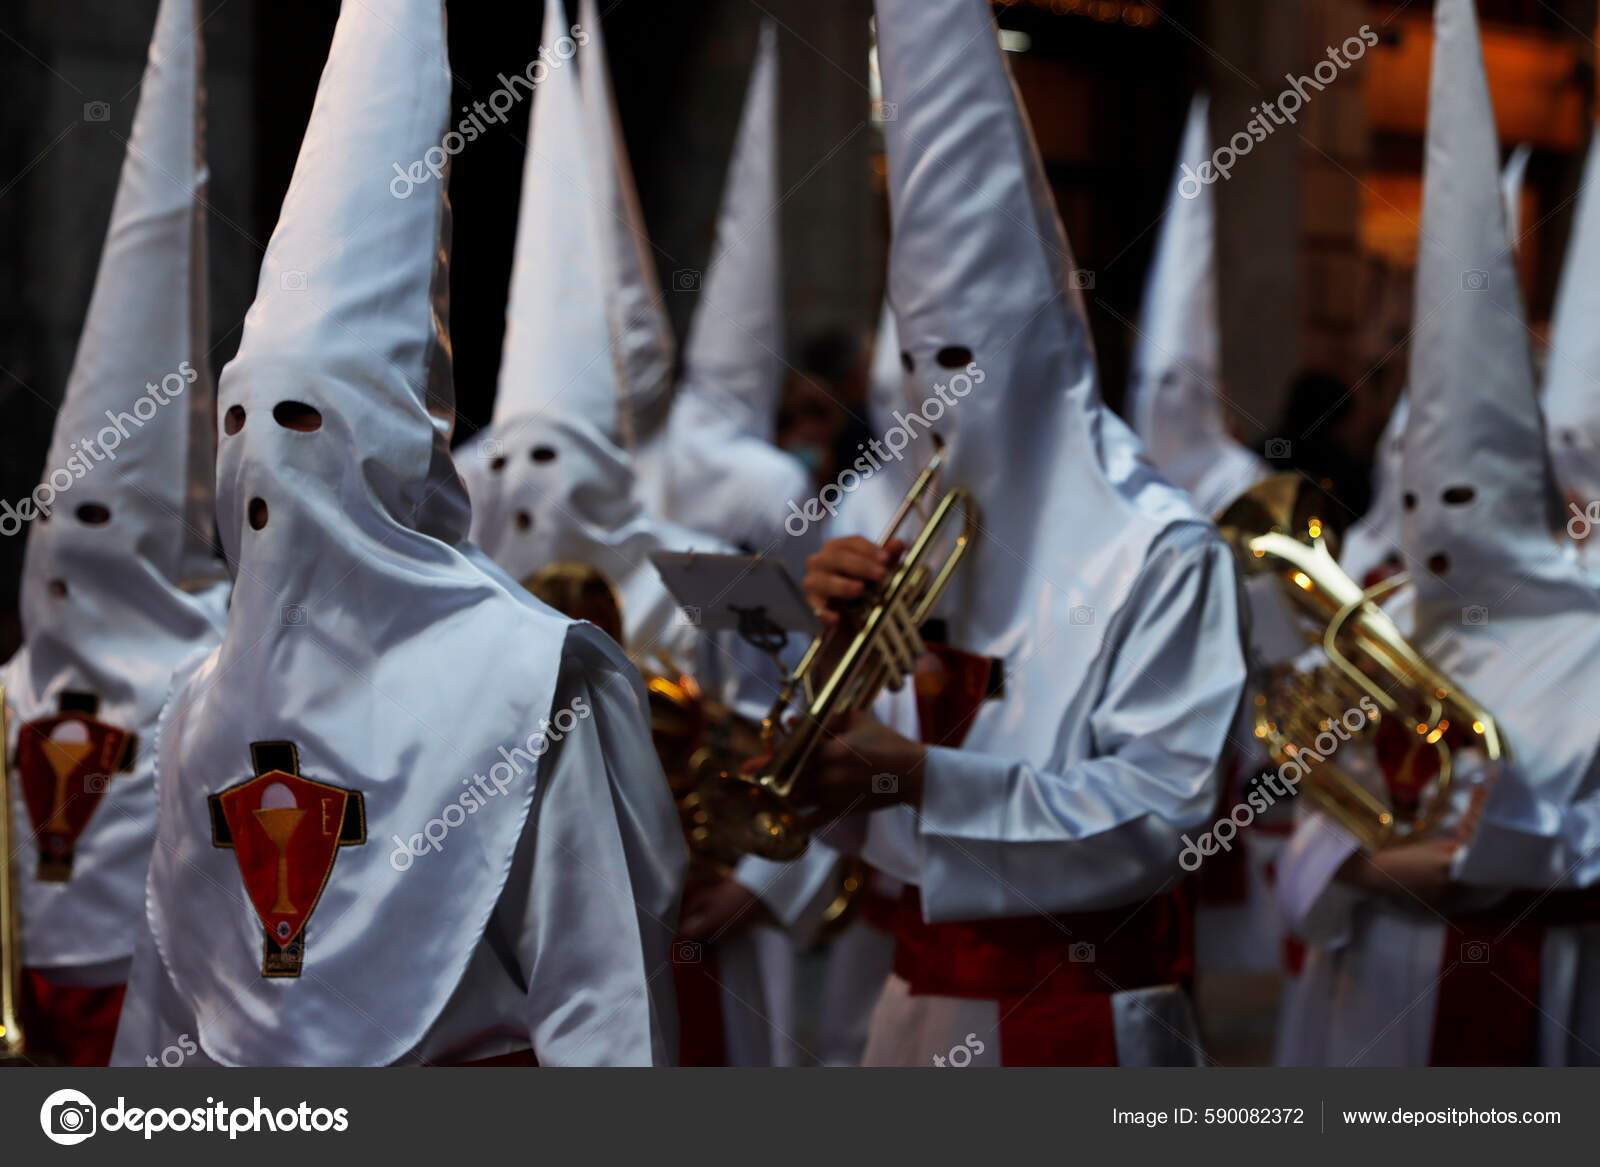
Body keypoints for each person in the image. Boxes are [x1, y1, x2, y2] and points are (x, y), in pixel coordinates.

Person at [109, 0, 683, 1068]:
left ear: (389, 446)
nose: (268, 460)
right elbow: (171, 982)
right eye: (241, 420)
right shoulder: (198, 700)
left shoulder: (516, 678)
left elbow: (600, 992)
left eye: (306, 422)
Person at [794, 0, 1247, 1066]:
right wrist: (827, 663)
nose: (938, 409)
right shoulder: (896, 525)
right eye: (917, 372)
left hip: (1086, 1012)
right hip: (912, 1003)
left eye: (963, 370)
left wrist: (924, 778)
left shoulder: (1162, 551)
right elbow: (831, 797)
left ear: (1040, 368)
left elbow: (1167, 809)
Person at [1275, 0, 1600, 1066]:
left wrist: (1474, 858)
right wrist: (1373, 863)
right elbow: (1307, 810)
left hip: (1550, 988)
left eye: (1461, 502)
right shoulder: (1388, 614)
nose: (1431, 532)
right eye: (1417, 498)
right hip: (1377, 983)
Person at [1, 0, 228, 1067]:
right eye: (62, 522)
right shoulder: (11, 686)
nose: (78, 549)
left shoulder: (220, 671)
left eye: (106, 523)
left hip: (164, 1010)